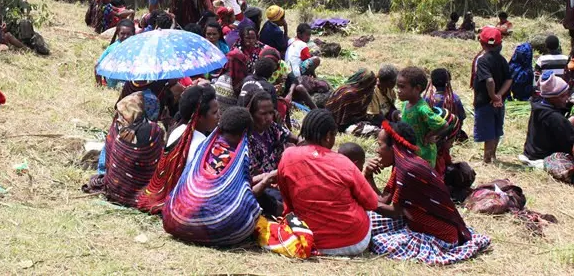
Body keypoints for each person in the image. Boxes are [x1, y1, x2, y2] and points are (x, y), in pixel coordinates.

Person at [365, 121, 490, 264]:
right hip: (413, 221)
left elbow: (394, 212)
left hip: (438, 237)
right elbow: (383, 200)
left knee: (377, 242)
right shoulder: (403, 165)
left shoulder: (408, 170)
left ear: (394, 147)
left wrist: (365, 200)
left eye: (380, 145)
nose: (377, 150)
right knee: (368, 221)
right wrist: (369, 177)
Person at [163, 107, 274, 247]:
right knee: (253, 208)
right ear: (245, 132)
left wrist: (261, 177)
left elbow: (227, 185)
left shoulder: (206, 147)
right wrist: (265, 181)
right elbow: (242, 197)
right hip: (214, 225)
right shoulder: (235, 157)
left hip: (176, 218)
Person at [277, 109, 378, 256]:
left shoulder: (287, 157)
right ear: (328, 136)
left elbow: (288, 201)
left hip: (307, 238)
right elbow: (372, 203)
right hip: (355, 242)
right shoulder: (344, 162)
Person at [136, 85, 219, 215]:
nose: (219, 116)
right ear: (199, 117)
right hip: (185, 201)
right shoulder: (200, 144)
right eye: (214, 113)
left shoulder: (177, 130)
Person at [102, 92, 164, 207]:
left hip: (112, 188)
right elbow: (160, 162)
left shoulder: (118, 125)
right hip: (135, 195)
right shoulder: (153, 130)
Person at [473, 27, 511, 163]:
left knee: (488, 130)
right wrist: (500, 95)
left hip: (485, 101)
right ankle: (493, 155)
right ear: (500, 44)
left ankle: (487, 159)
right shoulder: (502, 60)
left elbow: (489, 80)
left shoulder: (483, 61)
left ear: (481, 44)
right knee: (496, 128)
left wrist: (493, 95)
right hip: (499, 102)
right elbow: (509, 79)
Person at [397, 66, 447, 168]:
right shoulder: (405, 104)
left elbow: (443, 125)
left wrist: (429, 136)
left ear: (417, 88)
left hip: (423, 153)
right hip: (409, 149)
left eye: (402, 87)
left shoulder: (422, 109)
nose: (398, 90)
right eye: (397, 87)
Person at [522, 72, 574, 166]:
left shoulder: (538, 105)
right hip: (544, 156)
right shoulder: (554, 117)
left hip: (531, 152)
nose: (567, 98)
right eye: (563, 96)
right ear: (552, 97)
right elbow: (569, 144)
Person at [95, 19, 136, 88]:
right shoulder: (113, 48)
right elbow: (97, 65)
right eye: (122, 33)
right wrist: (99, 85)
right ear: (118, 33)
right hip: (115, 84)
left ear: (133, 34)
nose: (125, 36)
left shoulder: (137, 48)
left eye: (128, 34)